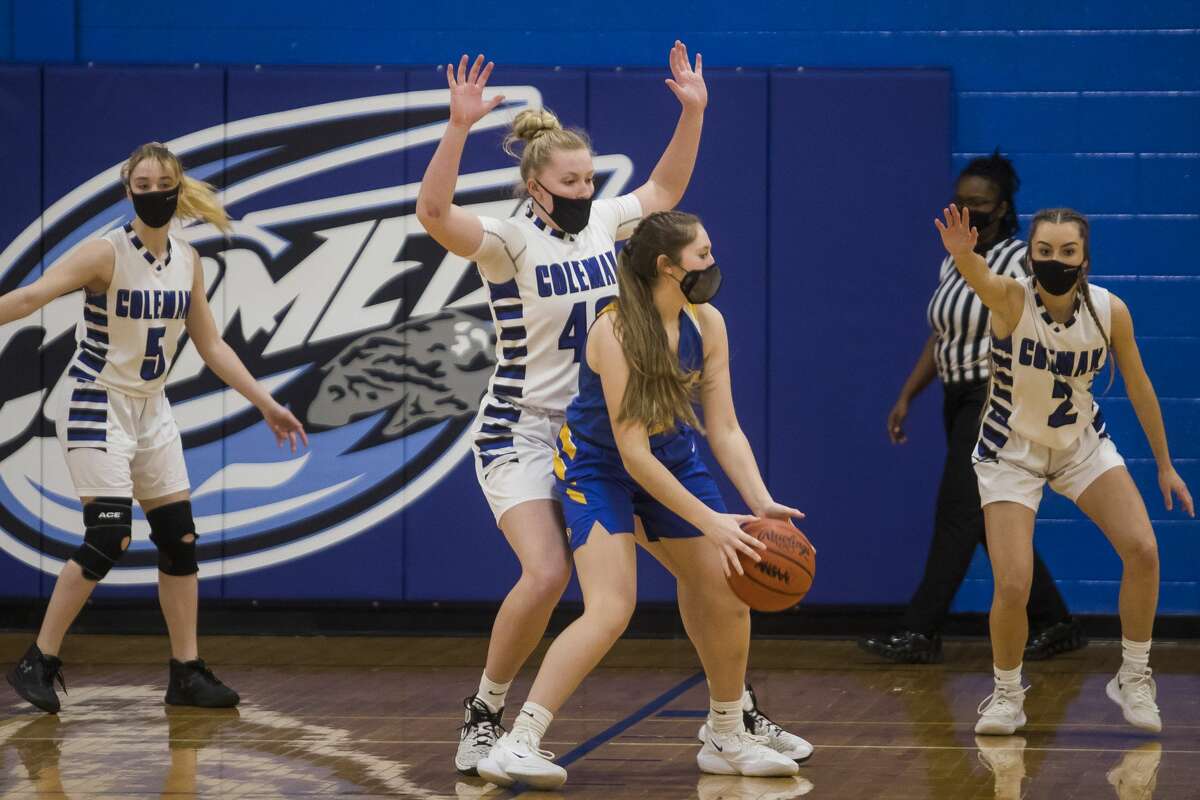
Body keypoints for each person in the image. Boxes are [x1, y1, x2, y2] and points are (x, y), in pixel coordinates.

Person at [418, 45, 803, 775]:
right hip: (528, 428)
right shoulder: (508, 239)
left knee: (711, 574)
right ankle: (486, 716)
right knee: (545, 576)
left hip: (610, 422)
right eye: (571, 179)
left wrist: (693, 110)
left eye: (591, 177)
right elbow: (433, 212)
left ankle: (733, 713)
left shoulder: (605, 227)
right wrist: (458, 127)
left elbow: (664, 189)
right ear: (536, 185)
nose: (585, 188)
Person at [476, 210, 812, 790]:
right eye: (702, 255)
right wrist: (712, 521)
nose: (713, 264)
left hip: (674, 460)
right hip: (600, 469)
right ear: (667, 266)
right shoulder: (618, 331)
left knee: (728, 586)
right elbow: (632, 456)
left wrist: (759, 504)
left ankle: (726, 731)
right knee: (611, 607)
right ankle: (519, 740)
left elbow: (725, 429)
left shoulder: (707, 324)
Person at [4, 142, 307, 713]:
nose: (153, 194)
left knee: (180, 539)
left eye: (161, 184)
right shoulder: (104, 253)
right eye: (141, 186)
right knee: (110, 536)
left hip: (152, 409)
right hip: (97, 401)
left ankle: (186, 671)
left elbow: (211, 343)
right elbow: (30, 296)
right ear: (127, 191)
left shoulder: (188, 259)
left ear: (177, 186)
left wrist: (266, 402)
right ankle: (37, 661)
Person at [933, 204, 1193, 735]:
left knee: (1143, 549)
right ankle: (1007, 694)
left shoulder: (1109, 311)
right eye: (1045, 251)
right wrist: (964, 255)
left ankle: (1135, 676)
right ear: (1030, 255)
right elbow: (979, 275)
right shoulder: (1011, 297)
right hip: (1011, 450)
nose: (1055, 260)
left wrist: (1166, 465)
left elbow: (1140, 387)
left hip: (1080, 445)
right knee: (1012, 583)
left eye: (1067, 251)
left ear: (1085, 258)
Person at [861, 153, 1084, 664]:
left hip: (996, 396)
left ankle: (920, 630)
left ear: (1003, 207)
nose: (968, 210)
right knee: (985, 518)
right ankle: (1058, 622)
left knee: (957, 509)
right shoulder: (952, 261)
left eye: (978, 203)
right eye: (960, 202)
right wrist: (906, 395)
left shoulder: (1017, 260)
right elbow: (942, 336)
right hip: (956, 395)